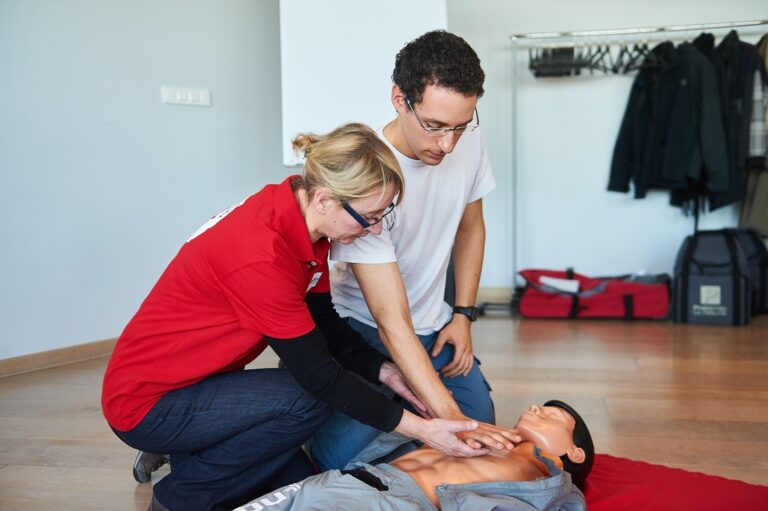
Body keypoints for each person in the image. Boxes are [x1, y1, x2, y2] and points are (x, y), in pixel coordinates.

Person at [101, 123, 517, 511]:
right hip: (146, 402)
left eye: (382, 216)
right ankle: (178, 496)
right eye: (369, 218)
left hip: (200, 382)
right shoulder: (260, 256)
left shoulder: (302, 220)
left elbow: (326, 323)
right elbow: (320, 376)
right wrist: (424, 430)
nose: (375, 231)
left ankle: (193, 450)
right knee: (307, 400)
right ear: (324, 199)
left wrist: (386, 372)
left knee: (298, 480)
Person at [309, 29, 501, 470]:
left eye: (460, 125)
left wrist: (463, 315)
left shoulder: (467, 139)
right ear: (399, 98)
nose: (448, 144)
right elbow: (392, 322)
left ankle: (412, 422)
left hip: (435, 323)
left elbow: (471, 227)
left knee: (480, 424)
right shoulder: (370, 177)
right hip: (365, 327)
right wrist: (448, 419)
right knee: (337, 456)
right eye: (434, 126)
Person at [236, 400, 595, 511]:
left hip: (391, 503)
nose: (536, 406)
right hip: (343, 479)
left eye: (553, 414)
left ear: (574, 452)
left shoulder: (554, 484)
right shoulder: (480, 431)